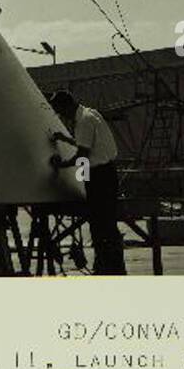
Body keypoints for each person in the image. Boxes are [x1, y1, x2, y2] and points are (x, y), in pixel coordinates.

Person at [49, 90, 126, 274]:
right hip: (106, 173)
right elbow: (86, 143)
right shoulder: (90, 114)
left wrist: (61, 165)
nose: (61, 116)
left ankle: (107, 268)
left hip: (99, 176)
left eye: (60, 111)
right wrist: (65, 139)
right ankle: (112, 266)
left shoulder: (83, 122)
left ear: (66, 106)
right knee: (107, 224)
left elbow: (82, 156)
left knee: (100, 225)